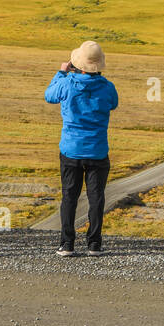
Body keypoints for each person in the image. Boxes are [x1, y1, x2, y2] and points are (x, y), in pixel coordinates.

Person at [45, 40, 119, 257]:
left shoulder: (67, 83)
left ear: (77, 63)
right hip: (97, 150)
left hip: (71, 149)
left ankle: (67, 244)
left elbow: (49, 96)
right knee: (96, 197)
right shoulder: (107, 87)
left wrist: (61, 73)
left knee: (69, 196)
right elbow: (113, 103)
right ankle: (94, 244)